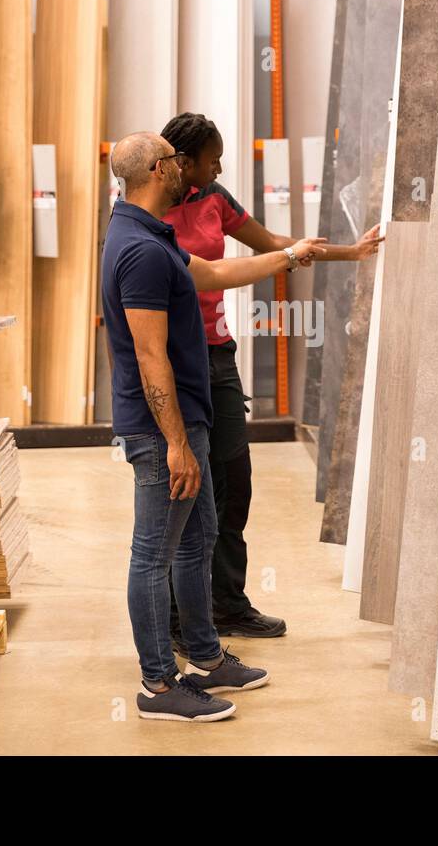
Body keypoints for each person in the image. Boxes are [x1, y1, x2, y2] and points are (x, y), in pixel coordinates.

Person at [101, 131, 327, 722]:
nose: (186, 164)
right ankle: (157, 686)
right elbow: (151, 357)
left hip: (188, 418)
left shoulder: (151, 235)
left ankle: (203, 655)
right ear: (157, 169)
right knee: (154, 554)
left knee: (199, 537)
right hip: (161, 431)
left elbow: (213, 273)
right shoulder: (142, 251)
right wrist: (175, 442)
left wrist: (290, 254)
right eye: (175, 158)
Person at [159, 112, 383, 647]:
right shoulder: (152, 211)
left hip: (218, 356)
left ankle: (228, 604)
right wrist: (285, 256)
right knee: (184, 493)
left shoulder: (215, 197)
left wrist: (350, 252)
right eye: (213, 157)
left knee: (235, 485)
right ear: (183, 162)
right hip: (175, 362)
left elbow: (271, 243)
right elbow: (216, 271)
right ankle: (174, 619)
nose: (220, 166)